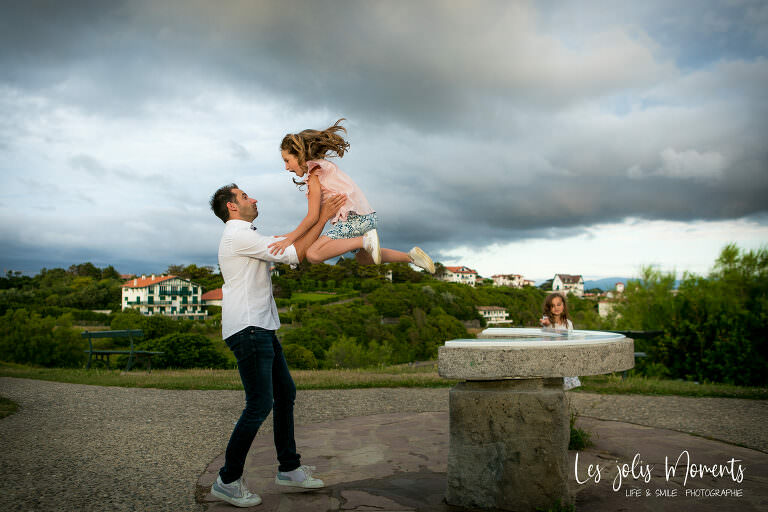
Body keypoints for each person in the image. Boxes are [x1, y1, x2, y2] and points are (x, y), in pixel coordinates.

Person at [208, 183, 346, 507]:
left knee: (285, 394)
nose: (253, 198)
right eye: (244, 196)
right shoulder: (238, 235)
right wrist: (322, 215)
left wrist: (319, 218)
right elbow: (294, 252)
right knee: (259, 404)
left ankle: (290, 468)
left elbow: (290, 243)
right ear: (231, 207)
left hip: (262, 328)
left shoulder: (249, 236)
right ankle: (227, 480)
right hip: (249, 329)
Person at [267, 118, 435, 273]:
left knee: (314, 255)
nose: (286, 167)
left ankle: (364, 240)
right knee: (365, 260)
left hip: (353, 220)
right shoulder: (325, 167)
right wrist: (292, 236)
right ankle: (411, 257)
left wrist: (289, 239)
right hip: (366, 217)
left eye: (287, 160)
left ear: (300, 154)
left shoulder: (314, 175)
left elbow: (312, 217)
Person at [540, 292, 581, 391]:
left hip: (564, 352)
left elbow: (571, 338)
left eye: (559, 304)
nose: (556, 308)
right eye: (552, 306)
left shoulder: (568, 323)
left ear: (563, 305)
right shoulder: (548, 322)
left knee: (563, 378)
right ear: (549, 308)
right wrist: (546, 324)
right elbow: (544, 325)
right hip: (551, 353)